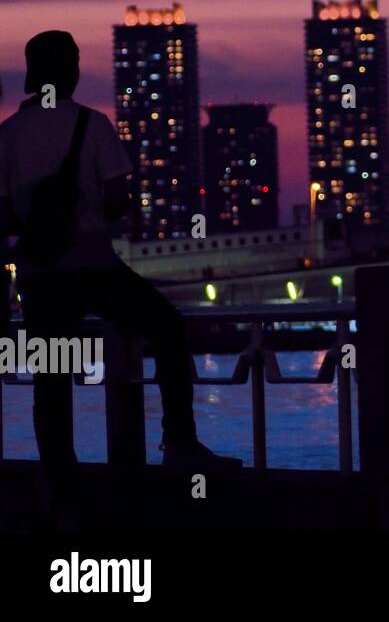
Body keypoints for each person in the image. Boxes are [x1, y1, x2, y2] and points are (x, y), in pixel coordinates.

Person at [0, 31, 239, 519]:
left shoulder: (7, 135)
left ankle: (60, 482)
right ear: (71, 71)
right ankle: (179, 444)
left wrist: (37, 220)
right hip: (93, 265)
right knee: (168, 328)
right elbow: (116, 201)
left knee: (51, 378)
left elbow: (3, 216)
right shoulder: (92, 124)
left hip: (40, 275)